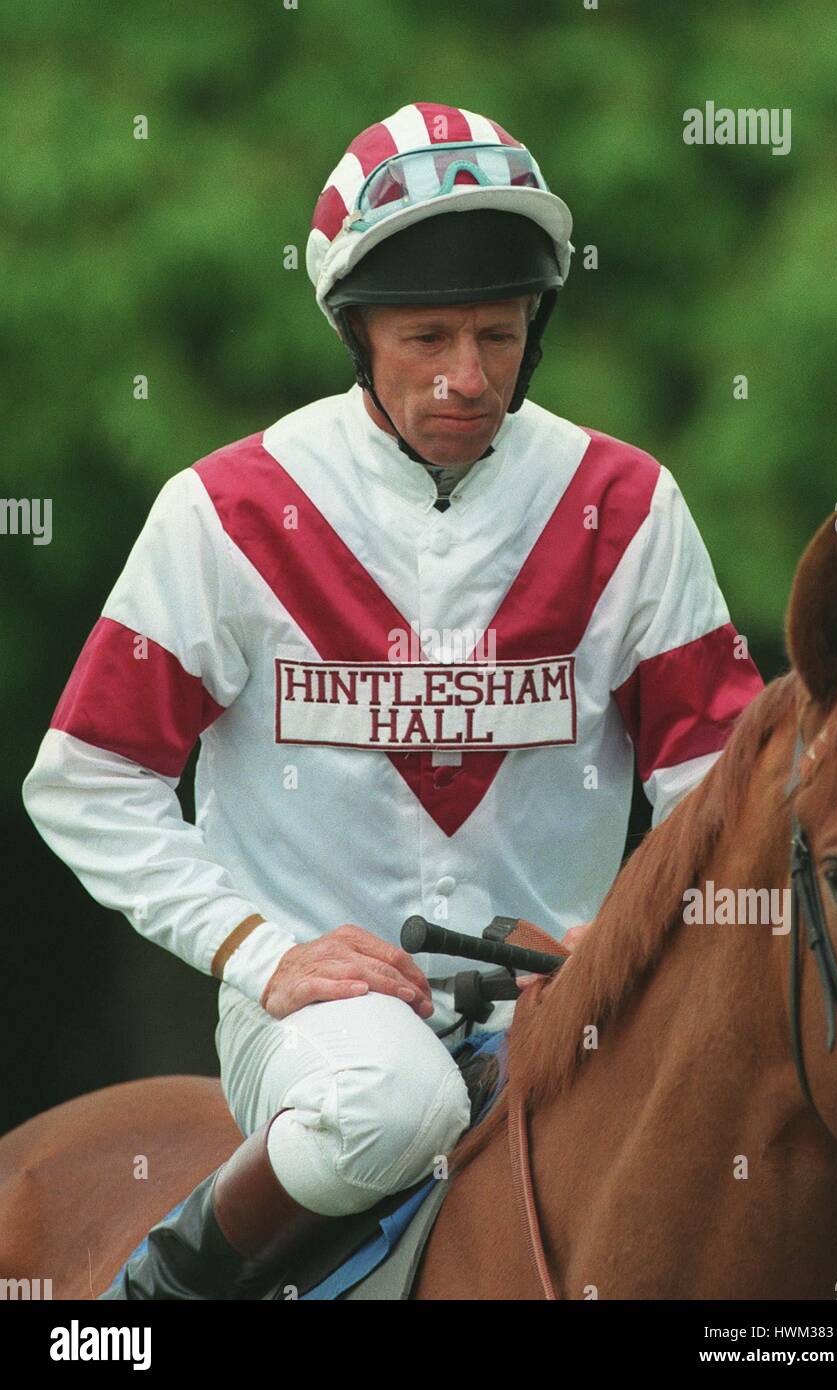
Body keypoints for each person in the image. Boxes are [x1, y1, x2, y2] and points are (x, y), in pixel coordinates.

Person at [21, 102, 764, 1299]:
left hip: (568, 1012)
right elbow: (85, 776)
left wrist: (632, 926)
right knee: (394, 1099)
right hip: (321, 1031)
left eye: (498, 334)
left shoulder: (626, 505)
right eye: (426, 337)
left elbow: (721, 790)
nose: (466, 377)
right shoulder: (226, 510)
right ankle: (147, 1301)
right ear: (355, 333)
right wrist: (262, 952)